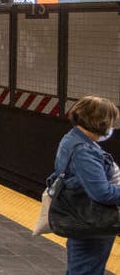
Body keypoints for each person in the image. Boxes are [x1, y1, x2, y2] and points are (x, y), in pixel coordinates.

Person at [49, 96, 120, 274]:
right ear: (100, 121)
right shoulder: (83, 150)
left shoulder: (73, 138)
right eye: (111, 122)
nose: (112, 127)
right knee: (87, 270)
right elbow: (102, 193)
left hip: (82, 217)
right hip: (92, 221)